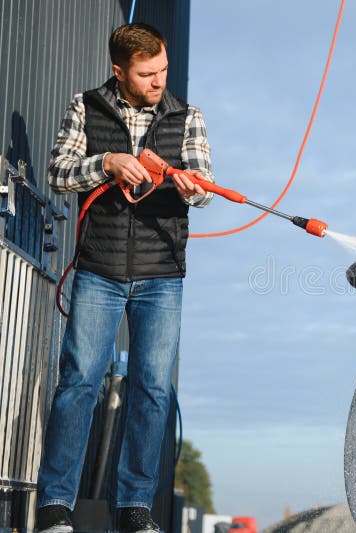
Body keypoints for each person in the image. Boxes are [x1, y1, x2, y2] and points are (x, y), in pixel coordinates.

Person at [35, 22, 214, 533]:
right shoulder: (86, 107)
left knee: (153, 388)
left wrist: (187, 185)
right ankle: (54, 506)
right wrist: (109, 162)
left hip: (162, 274)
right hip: (99, 271)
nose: (159, 81)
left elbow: (203, 189)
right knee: (78, 384)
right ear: (119, 71)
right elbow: (59, 173)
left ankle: (135, 507)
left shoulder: (188, 117)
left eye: (162, 69)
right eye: (146, 73)